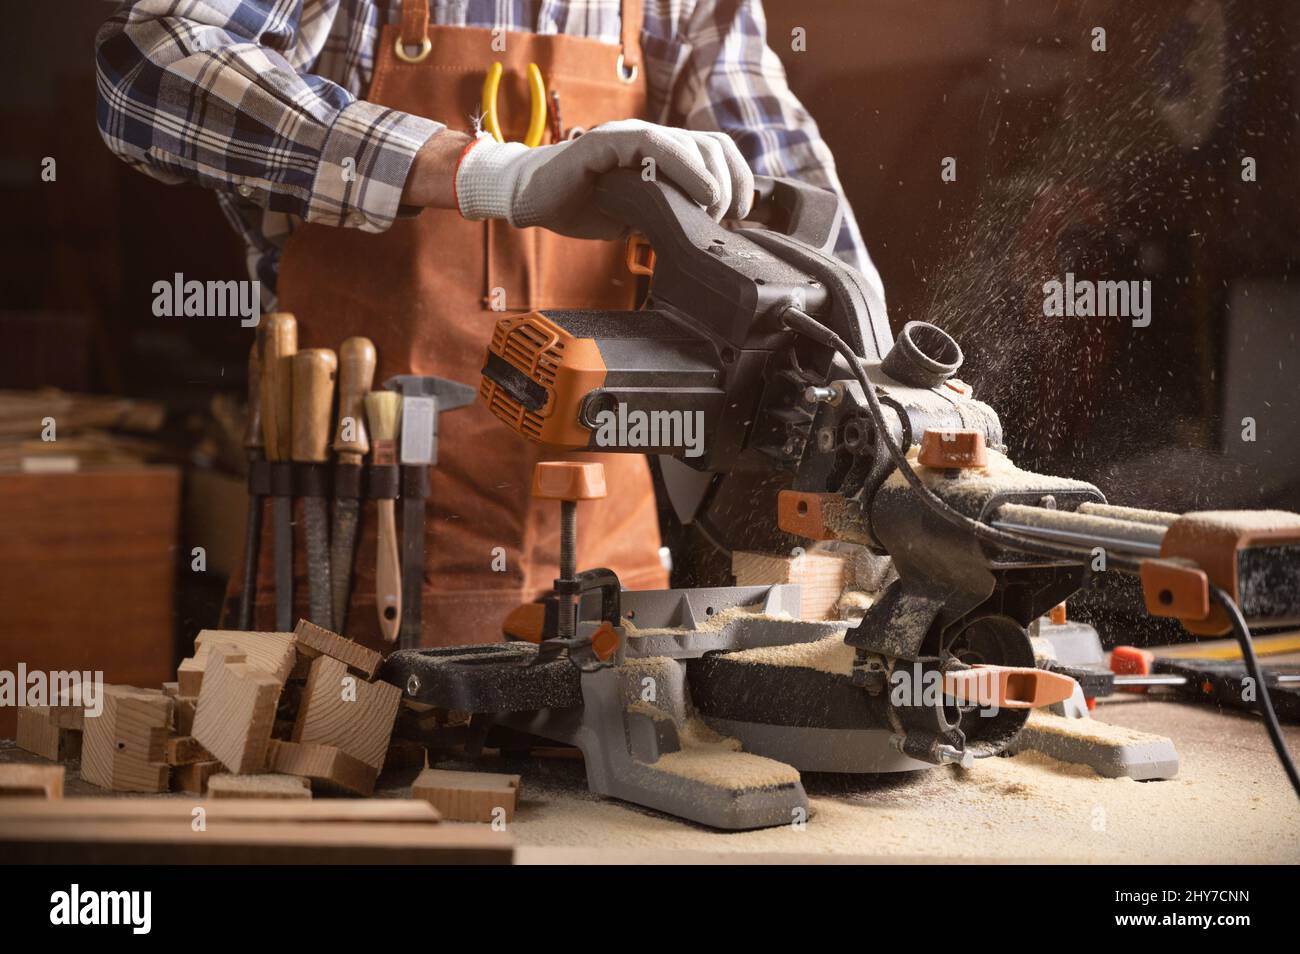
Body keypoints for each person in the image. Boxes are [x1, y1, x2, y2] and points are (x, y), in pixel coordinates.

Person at [95, 0, 882, 647]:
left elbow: (790, 208)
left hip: (614, 593)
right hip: (351, 572)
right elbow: (149, 63)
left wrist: (882, 417)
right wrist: (480, 172)